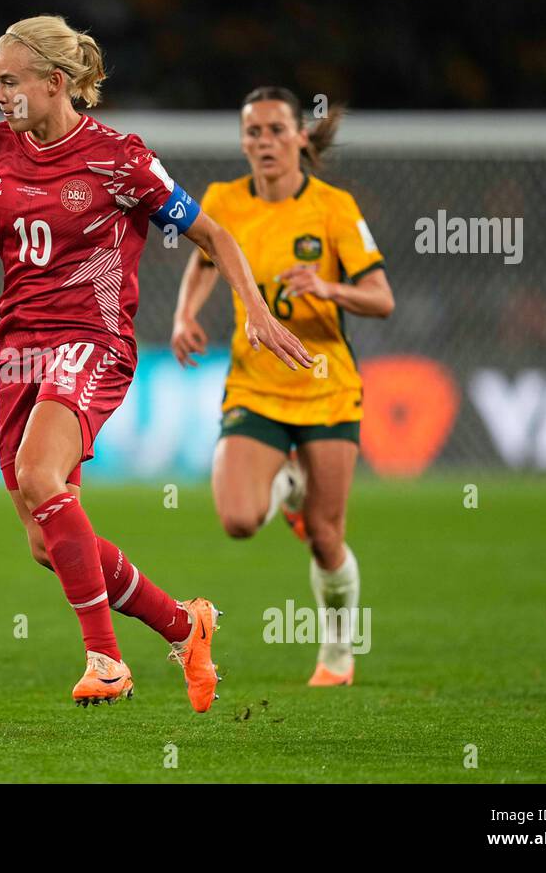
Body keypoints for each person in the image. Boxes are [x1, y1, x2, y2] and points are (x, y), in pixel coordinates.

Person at [0, 18, 312, 709]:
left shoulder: (122, 160)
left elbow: (214, 233)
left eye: (8, 81)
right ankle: (184, 625)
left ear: (55, 83)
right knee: (48, 542)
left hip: (93, 338)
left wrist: (255, 311)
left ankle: (106, 660)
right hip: (17, 346)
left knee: (37, 473)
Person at [171, 87, 394, 686]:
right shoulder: (224, 201)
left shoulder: (333, 208)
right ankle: (286, 483)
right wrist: (184, 314)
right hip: (255, 384)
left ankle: (339, 655)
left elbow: (382, 299)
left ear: (300, 136)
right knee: (238, 519)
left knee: (325, 536)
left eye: (275, 130)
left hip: (325, 388)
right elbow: (202, 259)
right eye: (253, 132)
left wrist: (329, 290)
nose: (263, 142)